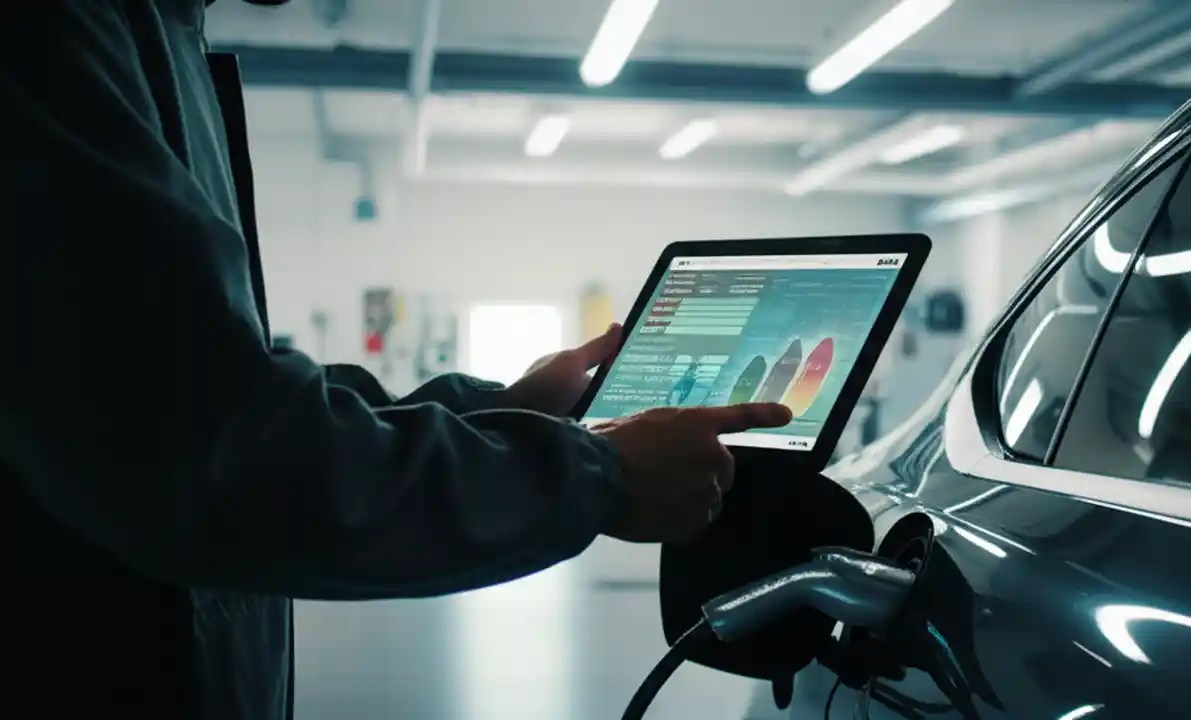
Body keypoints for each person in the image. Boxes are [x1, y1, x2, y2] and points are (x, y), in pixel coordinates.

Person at [1, 2, 792, 717]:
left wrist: (495, 410)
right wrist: (597, 474)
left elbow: (209, 379)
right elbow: (207, 447)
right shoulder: (53, 31)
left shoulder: (154, 30)